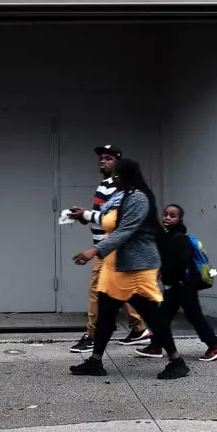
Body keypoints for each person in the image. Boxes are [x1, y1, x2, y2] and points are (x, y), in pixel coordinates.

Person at [69, 158, 190, 380]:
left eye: (117, 175)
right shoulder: (120, 197)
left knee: (151, 315)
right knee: (105, 314)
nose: (113, 179)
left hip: (137, 268)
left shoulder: (138, 199)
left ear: (126, 176)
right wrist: (85, 216)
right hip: (116, 267)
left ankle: (176, 361)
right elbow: (107, 221)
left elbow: (125, 231)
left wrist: (94, 250)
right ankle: (95, 361)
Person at [67, 144, 151, 354]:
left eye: (108, 158)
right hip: (106, 248)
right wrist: (85, 219)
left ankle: (92, 336)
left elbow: (115, 220)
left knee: (97, 292)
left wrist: (86, 216)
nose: (102, 161)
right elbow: (103, 219)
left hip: (108, 249)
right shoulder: (105, 185)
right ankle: (139, 329)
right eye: (101, 158)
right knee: (121, 292)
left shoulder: (119, 187)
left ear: (118, 162)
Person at [135, 205, 217, 362]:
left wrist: (162, 271)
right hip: (174, 288)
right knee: (162, 318)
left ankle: (215, 346)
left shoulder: (181, 239)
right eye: (165, 214)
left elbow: (181, 263)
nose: (167, 218)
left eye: (172, 215)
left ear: (179, 220)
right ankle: (156, 346)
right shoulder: (168, 237)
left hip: (184, 287)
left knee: (194, 316)